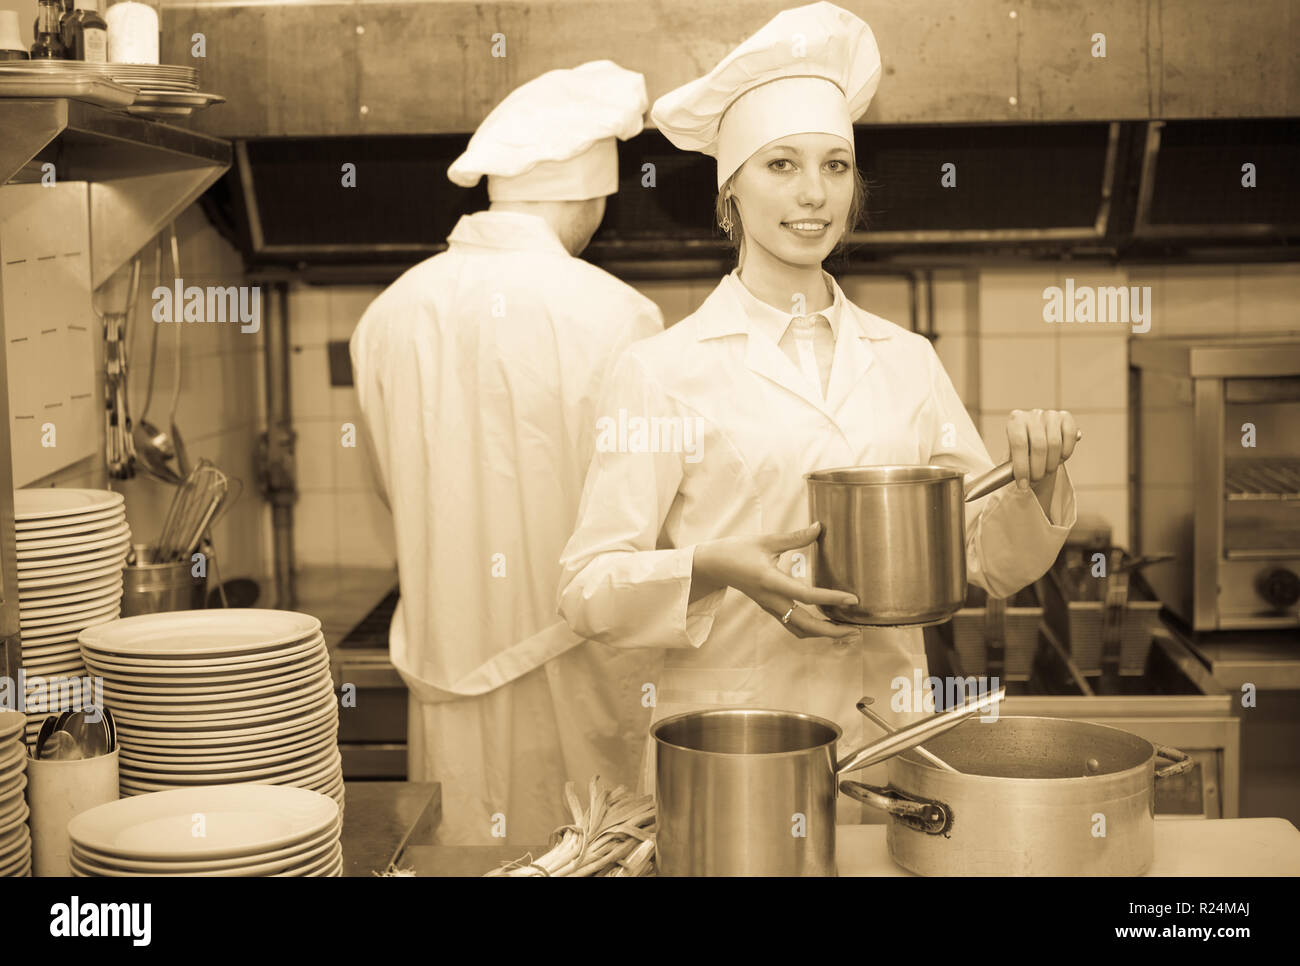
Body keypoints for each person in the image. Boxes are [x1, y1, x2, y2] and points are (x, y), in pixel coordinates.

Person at [556, 3, 1080, 821]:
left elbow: (986, 558)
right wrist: (714, 567)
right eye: (781, 165)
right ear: (730, 191)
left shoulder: (906, 358)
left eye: (836, 166)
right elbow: (587, 590)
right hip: (732, 747)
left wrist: (1036, 486)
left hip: (890, 734)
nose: (813, 195)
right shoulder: (663, 370)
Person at [350, 61, 665, 845]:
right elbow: (646, 515)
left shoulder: (389, 315)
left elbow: (391, 489)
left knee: (461, 855)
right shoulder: (619, 316)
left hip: (443, 671)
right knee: (583, 855)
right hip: (579, 684)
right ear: (585, 193)